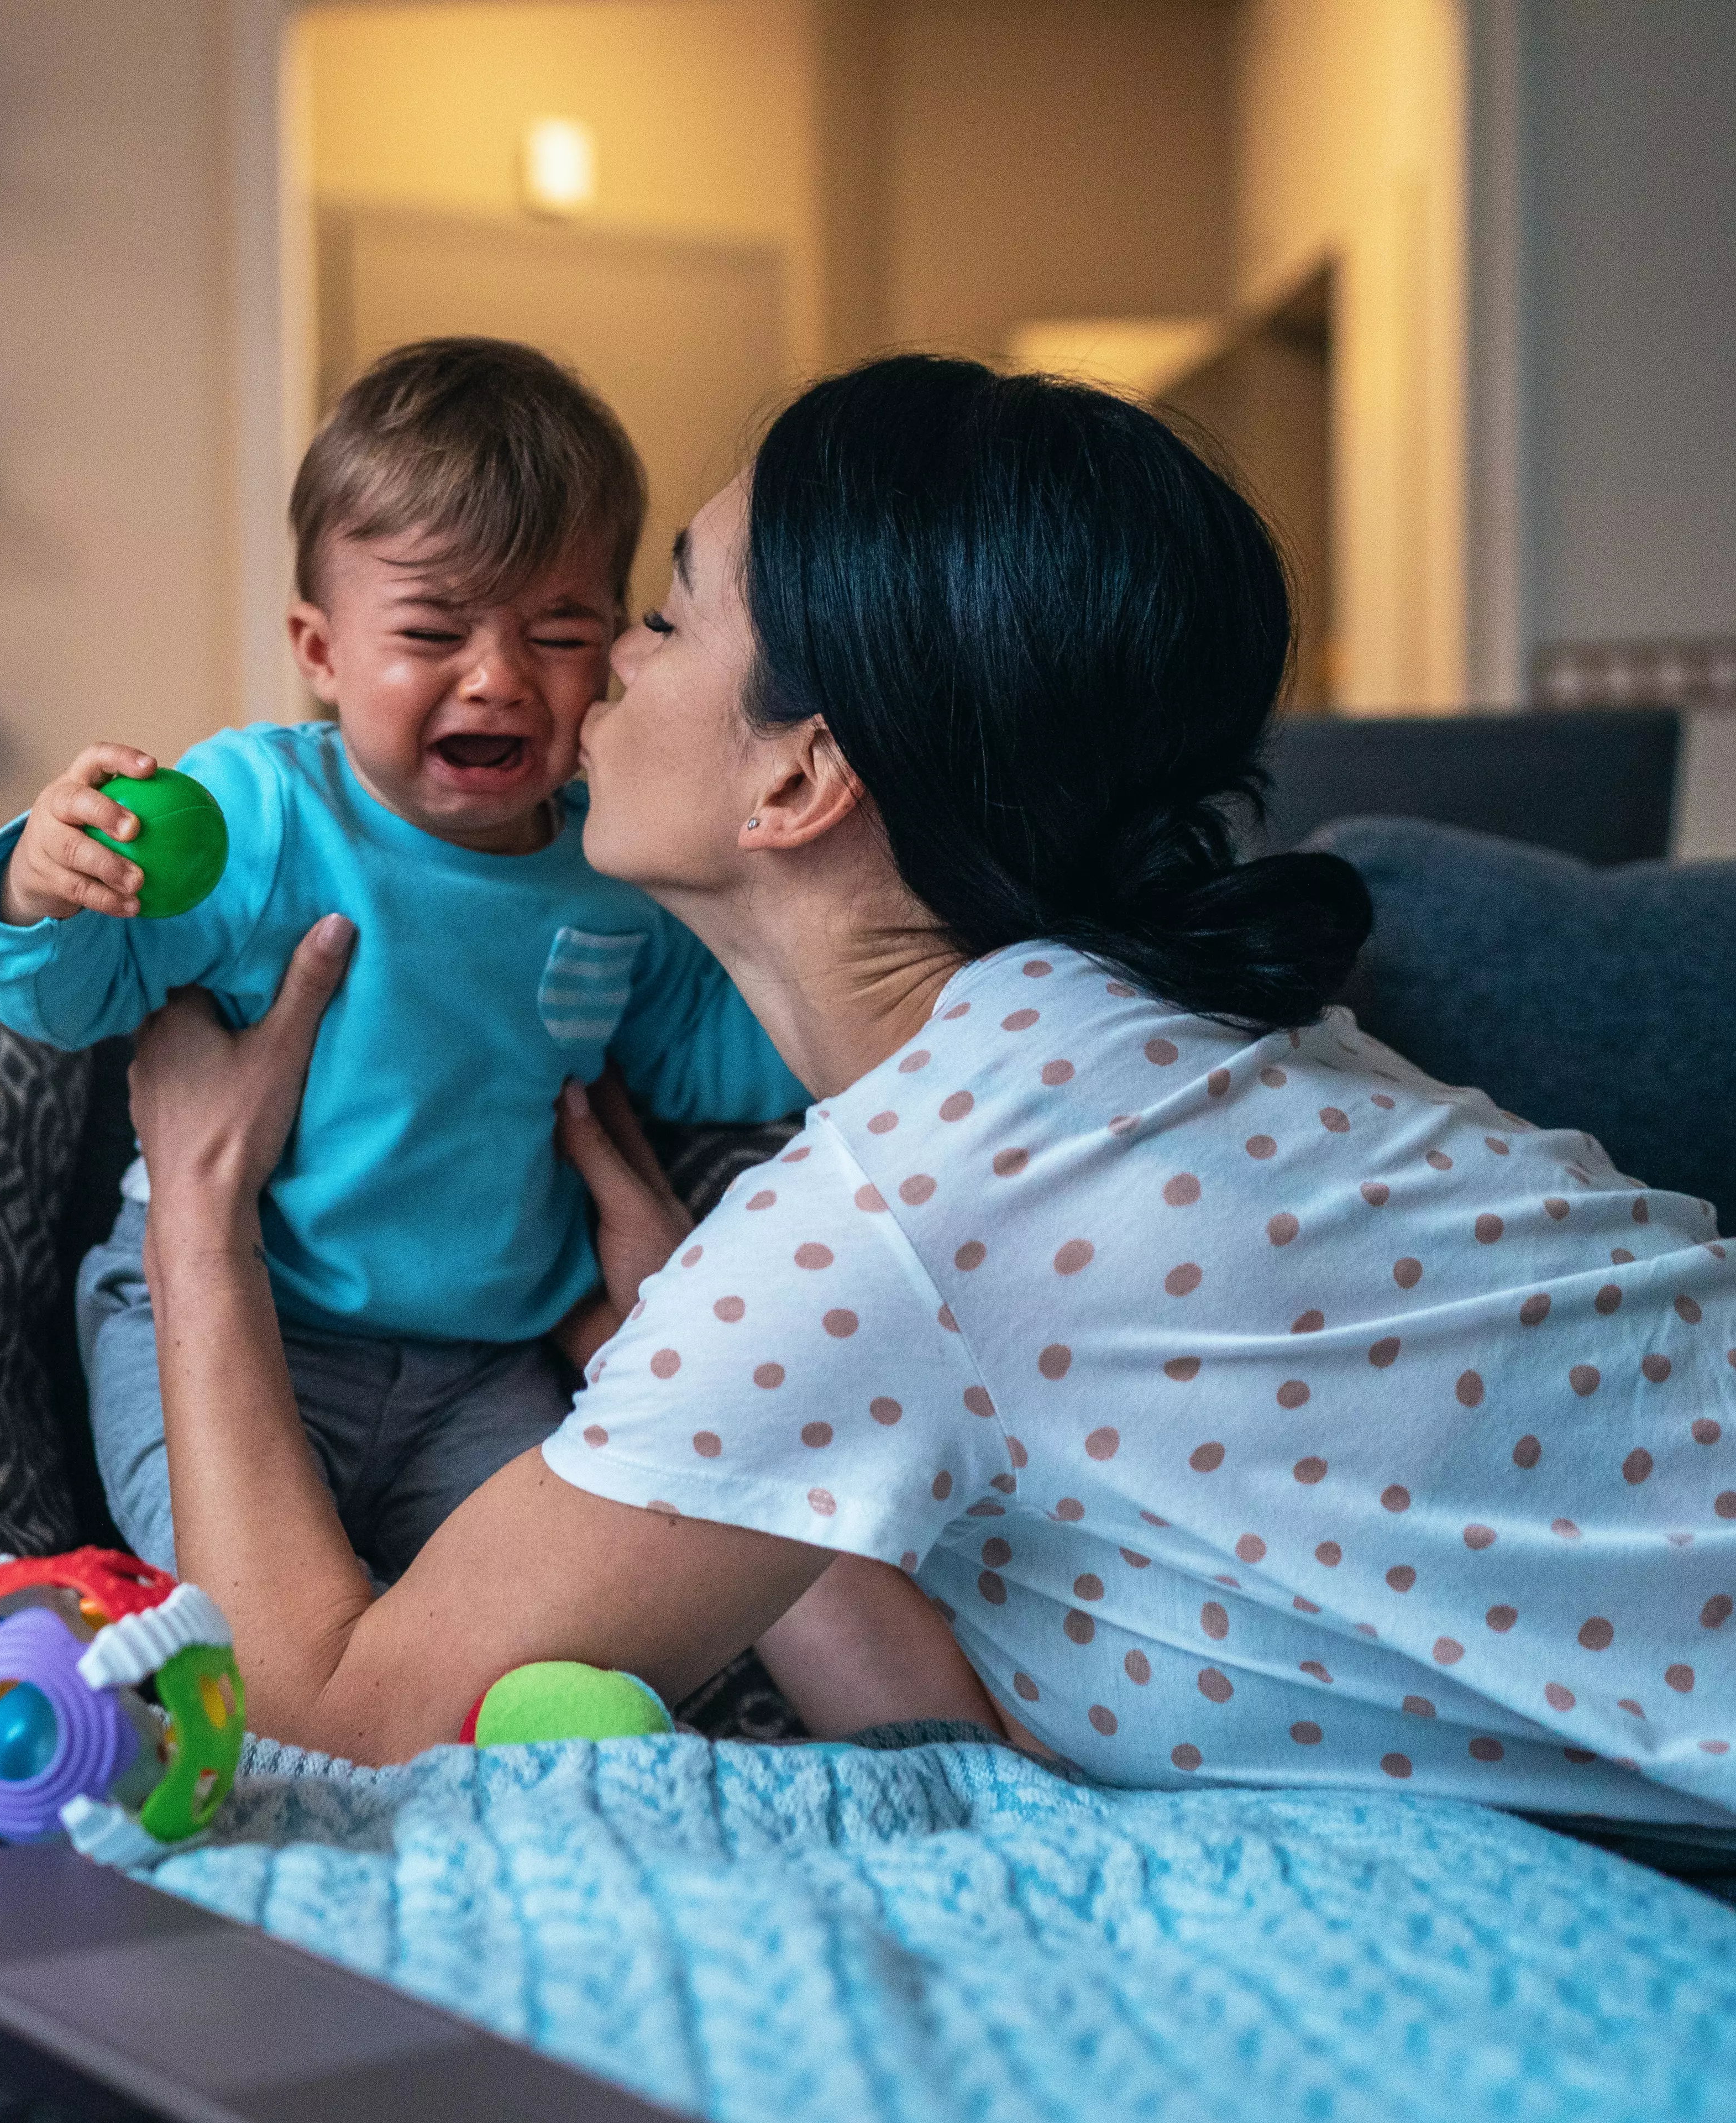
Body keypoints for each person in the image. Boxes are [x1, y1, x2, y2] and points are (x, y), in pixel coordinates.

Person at [131, 353, 1736, 1847]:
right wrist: (684, 1380)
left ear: (798, 779)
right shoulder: (1120, 1052)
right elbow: (969, 1752)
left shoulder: (906, 1213)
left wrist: (199, 1213)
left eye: (669, 621)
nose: (601, 657)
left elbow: (322, 1725)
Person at [0, 338, 804, 1580]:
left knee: (539, 1611)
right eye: (432, 629)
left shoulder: (613, 863)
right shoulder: (257, 812)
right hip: (242, 1329)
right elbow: (74, 1002)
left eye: (559, 631)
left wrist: (878, 1020)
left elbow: (701, 1054)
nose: (499, 676)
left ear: (617, 647)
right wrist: (42, 888)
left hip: (485, 1372)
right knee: (221, 1609)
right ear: (320, 650)